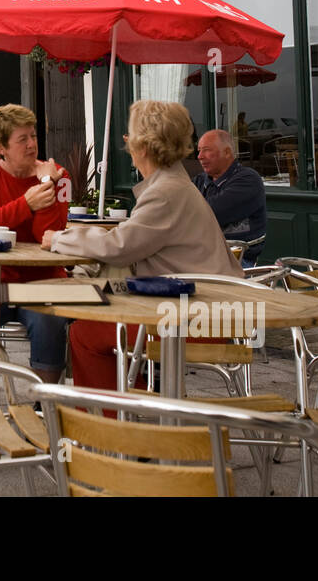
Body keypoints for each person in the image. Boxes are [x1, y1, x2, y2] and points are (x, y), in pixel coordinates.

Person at [41, 100, 240, 391]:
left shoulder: (165, 192)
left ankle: (107, 428)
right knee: (99, 320)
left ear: (142, 147)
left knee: (84, 334)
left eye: (128, 136)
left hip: (195, 320)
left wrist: (59, 238)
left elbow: (120, 247)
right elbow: (130, 243)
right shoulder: (174, 185)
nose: (126, 143)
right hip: (201, 310)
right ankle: (142, 401)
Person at [0, 104, 70, 412]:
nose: (32, 144)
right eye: (22, 139)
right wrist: (25, 203)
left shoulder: (60, 177)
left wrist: (47, 186)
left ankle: (42, 402)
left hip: (43, 277)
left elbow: (51, 237)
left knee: (50, 319)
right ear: (0, 147)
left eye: (33, 136)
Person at [193, 129, 267, 268]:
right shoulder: (199, 181)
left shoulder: (248, 179)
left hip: (236, 262)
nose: (200, 156)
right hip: (201, 256)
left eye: (206, 150)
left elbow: (211, 213)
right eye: (199, 151)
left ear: (227, 152)